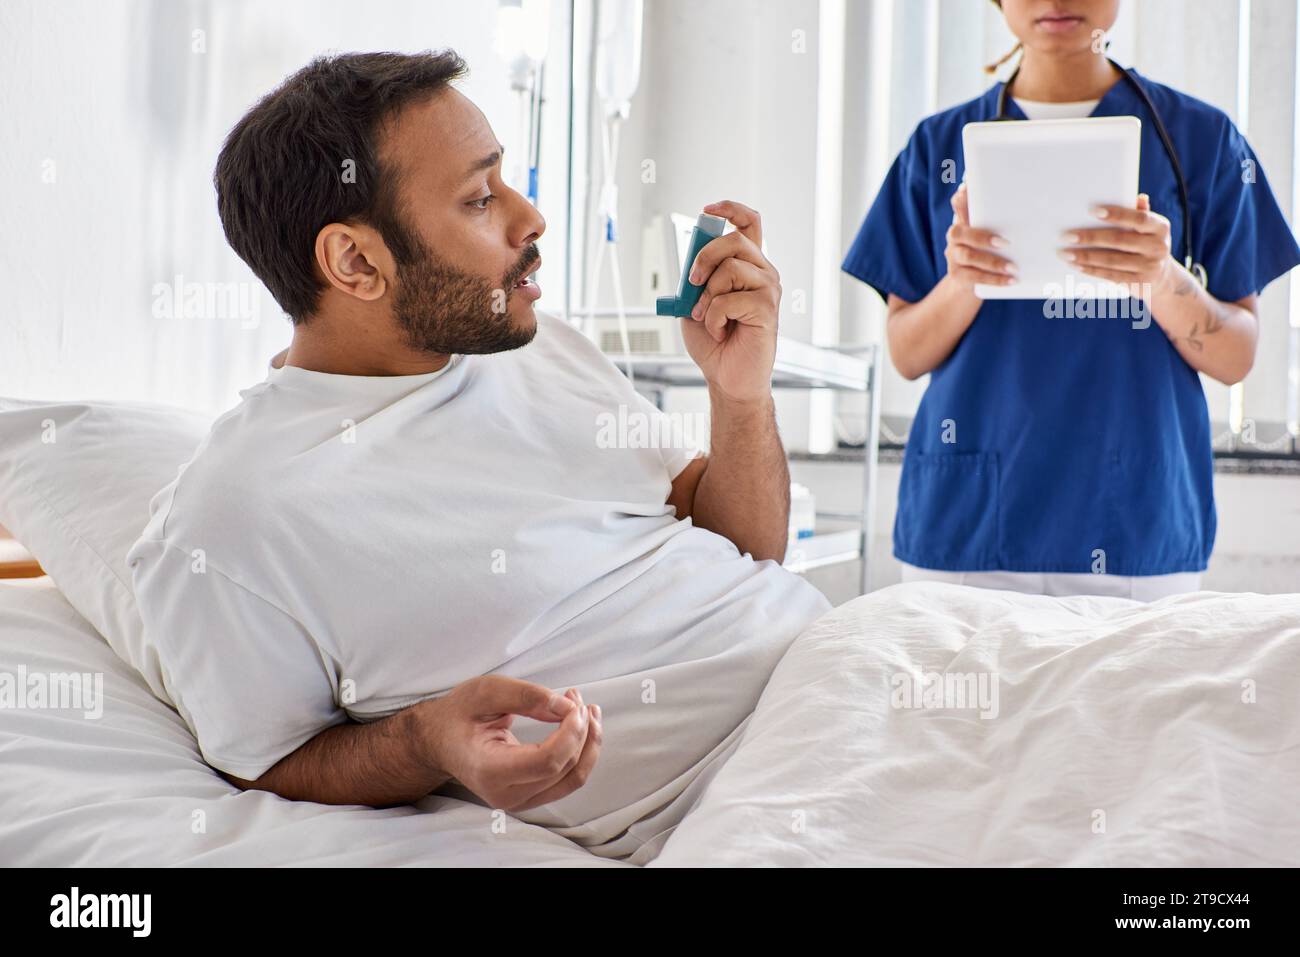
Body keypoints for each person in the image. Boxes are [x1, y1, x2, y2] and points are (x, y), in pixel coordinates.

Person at [125, 51, 829, 865]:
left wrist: (740, 400)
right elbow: (272, 759)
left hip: (838, 666)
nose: (531, 220)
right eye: (480, 198)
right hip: (751, 798)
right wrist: (425, 740)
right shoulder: (231, 521)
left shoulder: (536, 348)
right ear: (356, 262)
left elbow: (748, 548)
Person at [842, 0, 1300, 600]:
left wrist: (1161, 278)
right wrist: (962, 281)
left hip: (1136, 525)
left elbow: (1236, 356)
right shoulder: (937, 148)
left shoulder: (1204, 141)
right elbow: (905, 353)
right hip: (970, 529)